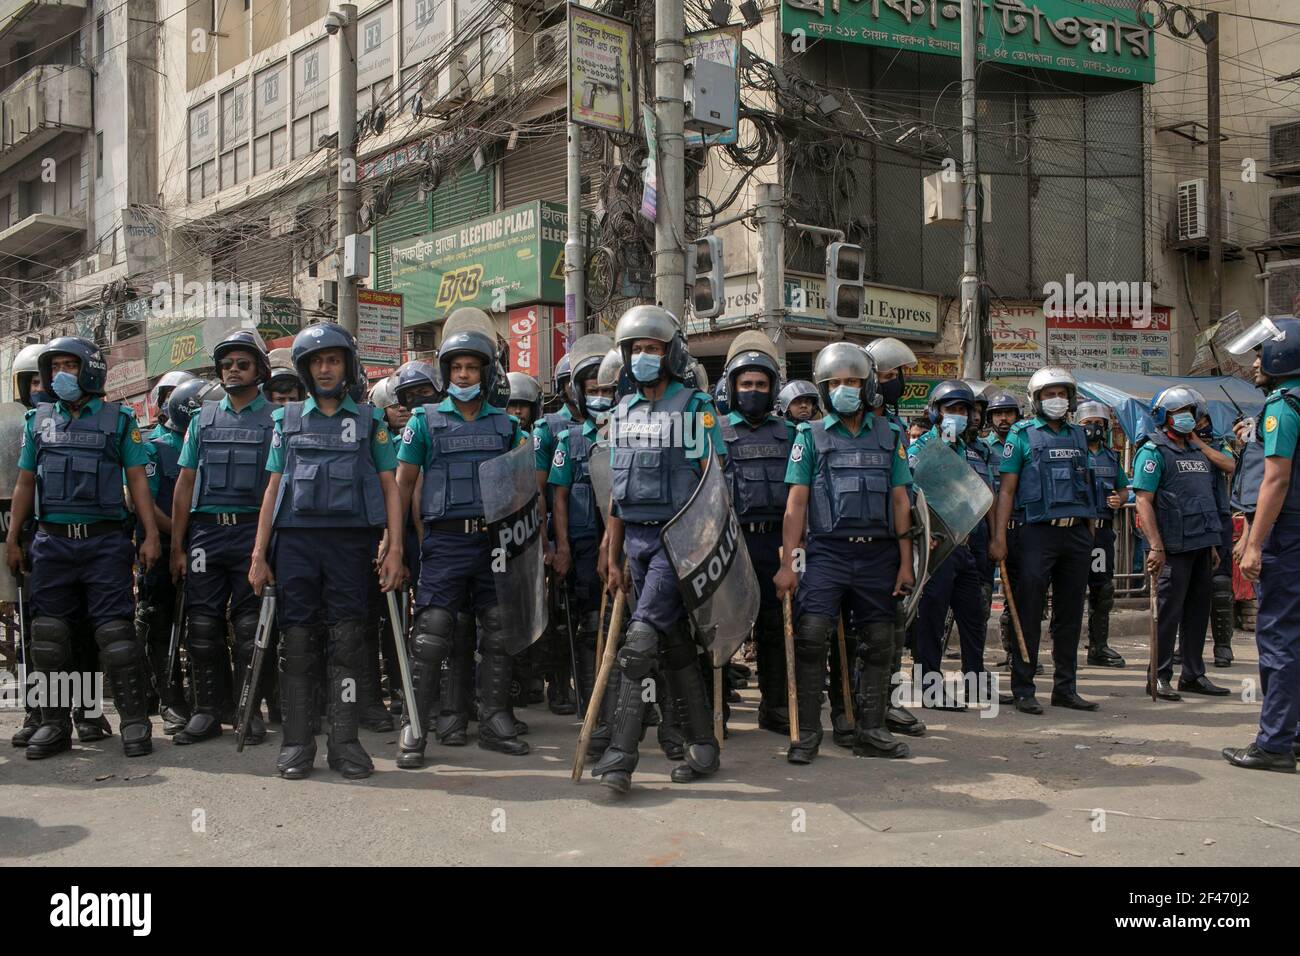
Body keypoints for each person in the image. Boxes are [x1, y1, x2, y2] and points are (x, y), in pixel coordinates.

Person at [249, 322, 404, 780]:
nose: (326, 368)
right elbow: (273, 489)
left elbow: (390, 487)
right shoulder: (286, 420)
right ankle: (297, 745)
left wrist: (393, 547)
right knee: (297, 644)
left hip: (350, 546)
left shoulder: (371, 422)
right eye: (317, 361)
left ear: (347, 366)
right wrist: (259, 554)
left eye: (333, 360)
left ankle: (345, 743)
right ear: (305, 369)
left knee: (348, 644)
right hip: (296, 545)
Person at [591, 305, 727, 793]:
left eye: (652, 348)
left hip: (679, 544)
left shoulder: (696, 409)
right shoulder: (622, 413)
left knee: (639, 643)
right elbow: (616, 491)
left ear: (670, 354)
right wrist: (613, 551)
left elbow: (715, 481)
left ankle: (619, 758)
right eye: (636, 349)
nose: (643, 356)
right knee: (671, 646)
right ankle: (703, 746)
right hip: (638, 545)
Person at [5, 336, 161, 759]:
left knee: (115, 636)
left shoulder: (119, 420)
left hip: (105, 543)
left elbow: (138, 481)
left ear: (89, 370)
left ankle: (133, 722)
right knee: (50, 637)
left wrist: (150, 534)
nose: (60, 375)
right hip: (52, 543)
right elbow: (24, 483)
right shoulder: (38, 422)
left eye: (69, 366)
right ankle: (53, 725)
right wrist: (13, 537)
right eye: (53, 367)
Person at [393, 309, 533, 767]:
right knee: (432, 634)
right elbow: (402, 486)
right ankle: (416, 725)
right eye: (457, 367)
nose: (465, 374)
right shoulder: (423, 422)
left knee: (497, 633)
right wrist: (398, 544)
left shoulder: (508, 427)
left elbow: (520, 494)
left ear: (485, 372)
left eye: (473, 367)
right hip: (445, 543)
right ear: (446, 372)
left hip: (494, 545)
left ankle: (495, 720)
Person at [774, 343, 914, 762]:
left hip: (878, 555)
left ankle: (869, 728)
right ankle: (808, 734)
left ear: (867, 385)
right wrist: (787, 564)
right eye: (834, 383)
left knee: (878, 642)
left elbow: (901, 502)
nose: (843, 390)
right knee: (813, 637)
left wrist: (906, 562)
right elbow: (796, 504)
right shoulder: (809, 436)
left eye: (851, 381)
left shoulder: (890, 436)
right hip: (826, 555)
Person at [169, 329, 276, 746]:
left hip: (251, 533)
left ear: (260, 370)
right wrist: (177, 546)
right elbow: (184, 483)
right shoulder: (201, 420)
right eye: (227, 364)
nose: (233, 370)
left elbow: (277, 485)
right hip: (206, 535)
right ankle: (208, 710)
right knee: (202, 626)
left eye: (242, 364)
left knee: (251, 629)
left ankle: (248, 710)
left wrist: (264, 549)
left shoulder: (277, 421)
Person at [988, 367, 1097, 714]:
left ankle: (1066, 688)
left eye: (1062, 393)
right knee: (1029, 611)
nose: (1056, 400)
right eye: (1049, 394)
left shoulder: (1079, 436)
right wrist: (999, 537)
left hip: (1076, 533)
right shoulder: (1021, 435)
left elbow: (1088, 484)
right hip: (1035, 534)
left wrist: (1089, 530)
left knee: (1070, 614)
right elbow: (1006, 490)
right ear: (1036, 400)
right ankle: (1024, 688)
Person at [1225, 317, 1300, 772]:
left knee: (1278, 637)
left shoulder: (1283, 406)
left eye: (1260, 355)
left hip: (1288, 533)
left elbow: (1276, 478)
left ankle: (1273, 744)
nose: (1255, 363)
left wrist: (1253, 542)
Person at [1131, 386, 1230, 702]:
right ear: (1164, 416)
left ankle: (1193, 674)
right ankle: (1158, 677)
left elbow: (1205, 496)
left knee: (1199, 612)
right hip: (1172, 547)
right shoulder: (1153, 451)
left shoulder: (1199, 451)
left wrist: (1212, 544)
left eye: (1191, 412)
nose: (1188, 418)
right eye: (1179, 412)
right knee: (1168, 613)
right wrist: (1156, 546)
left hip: (1202, 543)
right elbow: (1143, 502)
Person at [719, 331, 795, 735]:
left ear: (772, 389)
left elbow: (802, 498)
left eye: (760, 385)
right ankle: (718, 711)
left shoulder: (790, 434)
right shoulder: (714, 431)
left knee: (774, 628)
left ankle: (776, 705)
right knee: (725, 625)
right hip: (730, 544)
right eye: (745, 384)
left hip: (774, 543)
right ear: (732, 387)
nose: (752, 391)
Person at [909, 380, 994, 709]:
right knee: (932, 621)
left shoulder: (968, 450)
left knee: (973, 617)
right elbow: (908, 497)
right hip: (936, 551)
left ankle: (975, 682)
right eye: (950, 410)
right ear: (935, 413)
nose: (957, 416)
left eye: (963, 410)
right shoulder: (921, 450)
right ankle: (930, 688)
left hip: (966, 548)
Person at [547, 334, 615, 729]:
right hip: (585, 548)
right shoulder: (568, 439)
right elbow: (558, 498)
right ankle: (594, 710)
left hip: (626, 547)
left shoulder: (633, 431)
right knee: (591, 628)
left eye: (607, 389)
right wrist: (563, 548)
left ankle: (631, 708)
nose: (600, 397)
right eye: (593, 391)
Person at [863, 336, 925, 737]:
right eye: (885, 375)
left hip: (893, 538)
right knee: (859, 632)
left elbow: (906, 488)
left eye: (895, 375)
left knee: (893, 628)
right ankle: (856, 708)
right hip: (856, 538)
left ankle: (886, 702)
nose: (892, 382)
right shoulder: (854, 423)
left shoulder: (897, 425)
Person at [1076, 401, 1126, 668]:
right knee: (1069, 590)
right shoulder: (1073, 453)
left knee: (1102, 589)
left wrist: (1120, 498)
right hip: (1076, 529)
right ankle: (1065, 646)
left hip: (1103, 532)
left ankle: (1098, 647)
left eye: (1098, 424)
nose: (1093, 429)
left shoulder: (1111, 456)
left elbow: (1123, 488)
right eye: (1087, 424)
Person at [1192, 402, 1237, 667]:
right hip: (1189, 521)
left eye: (1201, 422)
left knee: (1220, 586)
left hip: (1218, 520)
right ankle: (1184, 647)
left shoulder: (1219, 444)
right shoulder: (1173, 447)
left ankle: (1223, 647)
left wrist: (1200, 444)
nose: (1199, 426)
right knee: (1184, 587)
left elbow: (1230, 465)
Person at [983, 391, 1023, 669]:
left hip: (1018, 525)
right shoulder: (984, 448)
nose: (1004, 418)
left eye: (1008, 412)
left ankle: (1014, 653)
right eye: (998, 413)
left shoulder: (1024, 442)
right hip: (988, 527)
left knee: (1018, 594)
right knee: (983, 594)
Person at [147, 370, 197, 439]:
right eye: (168, 396)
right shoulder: (155, 441)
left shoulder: (198, 433)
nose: (171, 401)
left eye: (177, 396)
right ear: (161, 401)